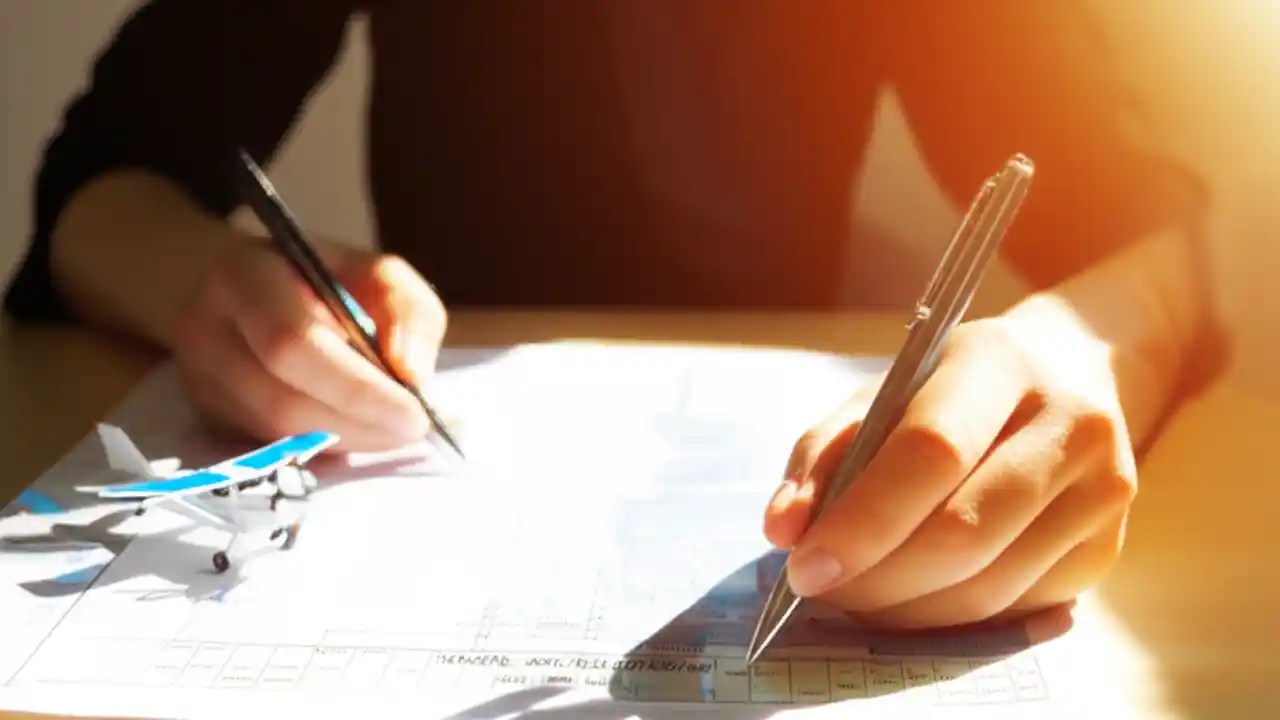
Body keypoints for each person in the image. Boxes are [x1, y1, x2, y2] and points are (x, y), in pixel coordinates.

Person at [4, 1, 1223, 630]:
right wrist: (200, 286)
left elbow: (1146, 232)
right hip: (409, 445)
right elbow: (100, 179)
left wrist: (1076, 349)